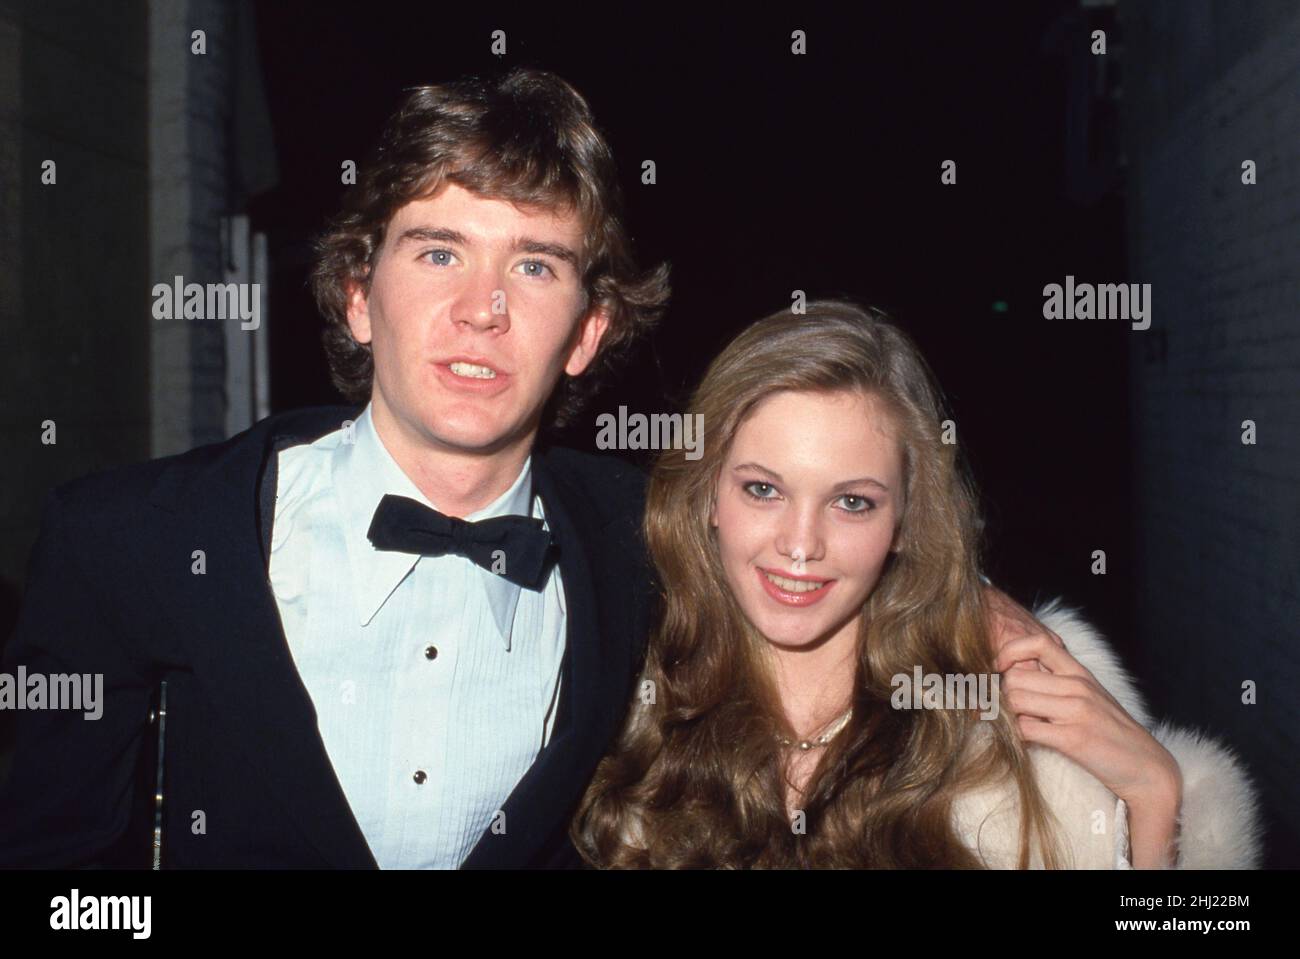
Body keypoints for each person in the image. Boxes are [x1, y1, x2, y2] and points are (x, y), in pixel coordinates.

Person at [0, 67, 670, 868]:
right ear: (359, 294)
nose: (482, 309)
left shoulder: (650, 554)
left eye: (534, 266)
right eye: (437, 252)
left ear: (588, 330)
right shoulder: (127, 543)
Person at [571, 300, 1263, 869]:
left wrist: (1154, 793)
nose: (801, 544)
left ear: (904, 520)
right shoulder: (617, 692)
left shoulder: (1018, 727)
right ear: (707, 497)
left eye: (853, 502)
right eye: (763, 489)